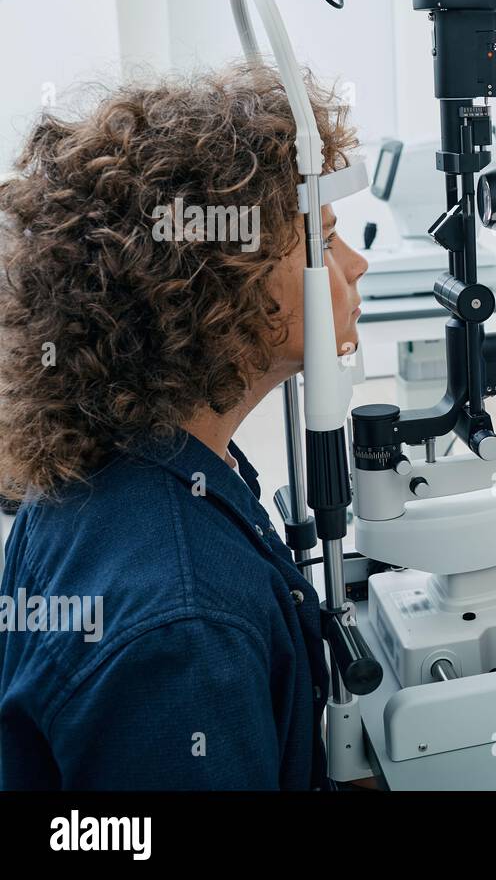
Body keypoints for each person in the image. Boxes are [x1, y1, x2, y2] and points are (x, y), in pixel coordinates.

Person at [0, 65, 369, 789]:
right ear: (220, 280)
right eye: (322, 240)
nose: (355, 264)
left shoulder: (134, 466)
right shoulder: (185, 626)